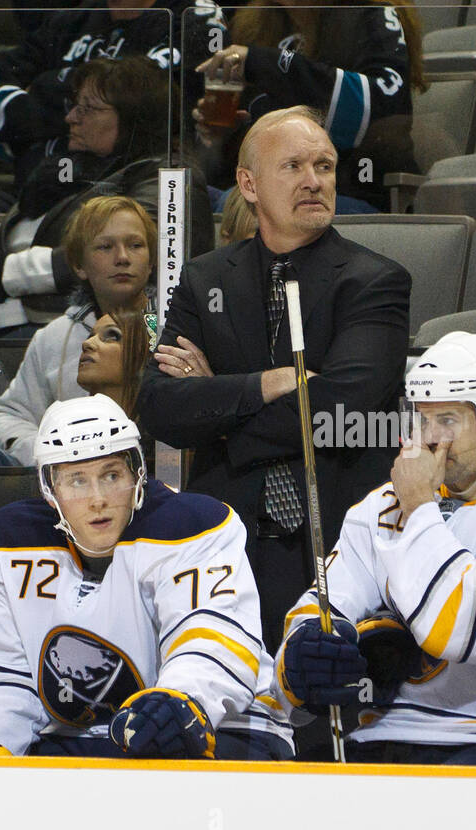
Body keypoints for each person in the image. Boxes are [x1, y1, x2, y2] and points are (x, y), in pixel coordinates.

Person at [139, 106, 411, 652]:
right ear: (249, 184)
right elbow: (160, 406)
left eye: (325, 166)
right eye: (293, 166)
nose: (315, 181)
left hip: (333, 531)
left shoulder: (376, 281)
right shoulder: (204, 278)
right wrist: (264, 384)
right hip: (224, 536)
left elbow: (339, 413)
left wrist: (217, 405)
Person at [271, 332, 476, 765]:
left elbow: (456, 630)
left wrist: (421, 504)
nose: (428, 439)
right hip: (378, 736)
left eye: (448, 420)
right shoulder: (383, 505)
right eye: (421, 419)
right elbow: (324, 602)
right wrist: (307, 650)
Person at [0, 395, 293, 759]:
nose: (98, 499)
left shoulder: (192, 526)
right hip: (80, 736)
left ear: (138, 474)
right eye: (77, 481)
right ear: (49, 491)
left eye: (111, 475)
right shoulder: (6, 544)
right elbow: (2, 672)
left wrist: (179, 701)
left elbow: (210, 638)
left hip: (222, 723)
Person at [0, 56, 211, 333]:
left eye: (89, 109)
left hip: (106, 329)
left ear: (134, 119)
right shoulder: (75, 170)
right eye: (75, 106)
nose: (71, 118)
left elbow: (129, 251)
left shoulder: (170, 176)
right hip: (18, 317)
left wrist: (11, 274)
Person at [195, 0, 427, 212]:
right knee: (189, 198)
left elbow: (380, 105)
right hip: (269, 186)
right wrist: (231, 134)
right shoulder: (255, 23)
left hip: (349, 189)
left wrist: (270, 63)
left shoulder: (373, 12)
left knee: (235, 207)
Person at [0, 0, 224, 187]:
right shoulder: (70, 20)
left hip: (134, 190)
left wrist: (43, 87)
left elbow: (143, 102)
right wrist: (95, 105)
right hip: (42, 187)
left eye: (86, 106)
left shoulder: (194, 16)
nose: (74, 115)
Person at [0, 195, 158, 463]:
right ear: (78, 265)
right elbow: (8, 416)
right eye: (105, 247)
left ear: (151, 262)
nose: (122, 258)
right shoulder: (53, 337)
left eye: (136, 245)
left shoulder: (175, 327)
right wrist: (52, 454)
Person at [77, 307, 153, 418]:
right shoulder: (63, 428)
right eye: (91, 336)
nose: (87, 343)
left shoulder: (168, 433)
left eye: (112, 336)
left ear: (145, 354)